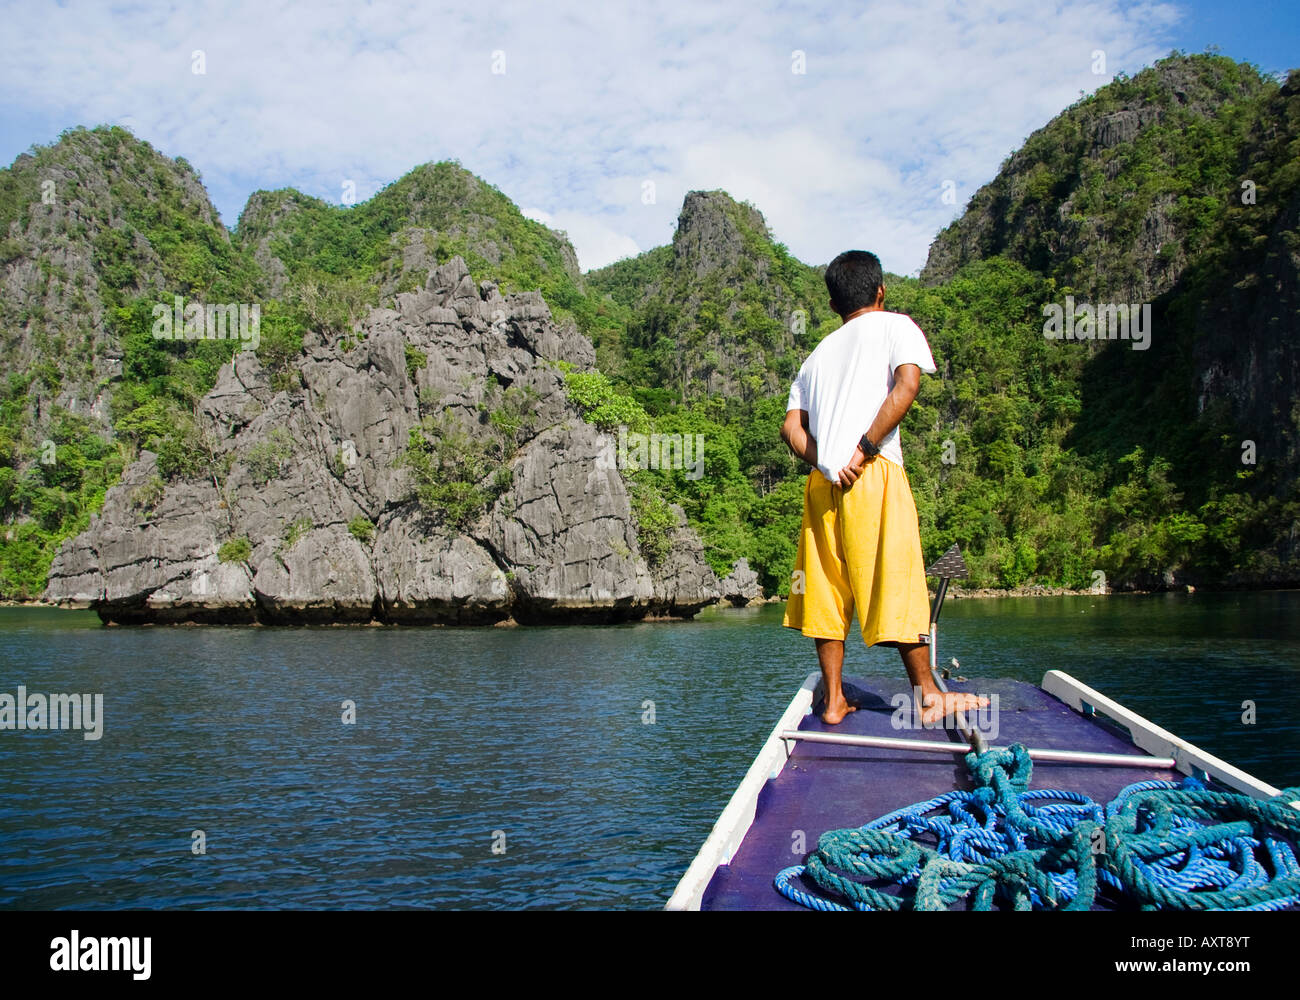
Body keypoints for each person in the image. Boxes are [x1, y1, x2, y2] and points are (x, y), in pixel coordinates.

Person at [780, 250, 987, 725]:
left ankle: (832, 700)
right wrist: (863, 449)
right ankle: (929, 695)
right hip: (871, 473)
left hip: (822, 483)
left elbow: (791, 427)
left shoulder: (814, 357)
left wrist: (828, 461)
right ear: (880, 290)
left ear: (833, 305)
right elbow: (906, 386)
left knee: (827, 591)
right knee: (896, 580)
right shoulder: (898, 326)